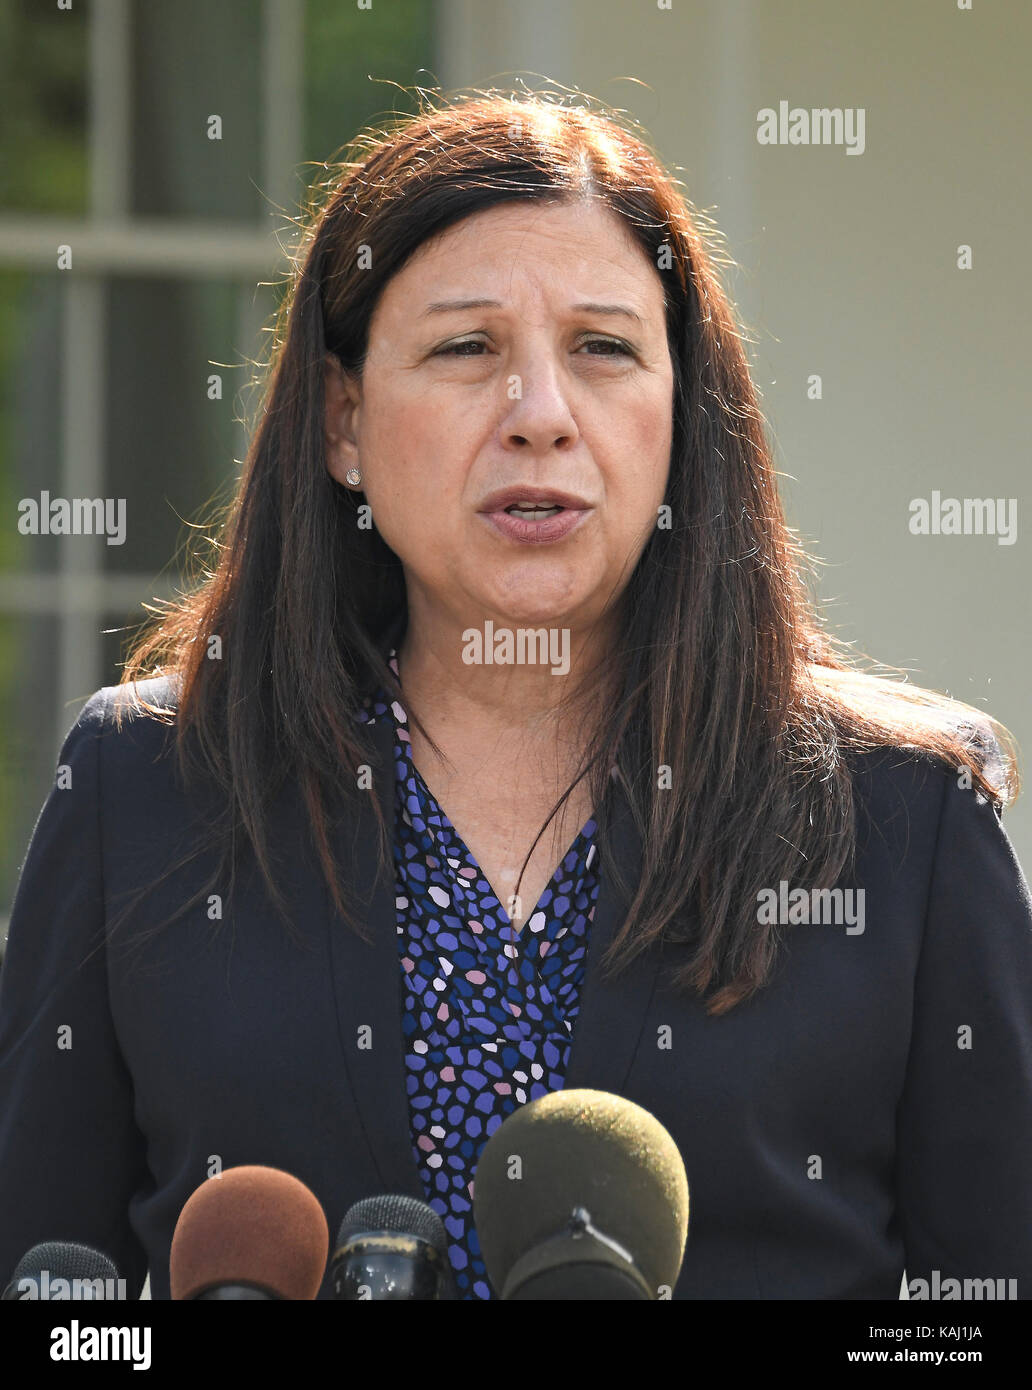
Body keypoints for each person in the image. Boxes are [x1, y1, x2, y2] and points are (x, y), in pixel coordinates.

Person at [1, 90, 1030, 1302]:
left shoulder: (904, 818)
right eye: (466, 349)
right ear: (343, 420)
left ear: (680, 410)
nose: (541, 416)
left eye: (602, 349)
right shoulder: (147, 787)